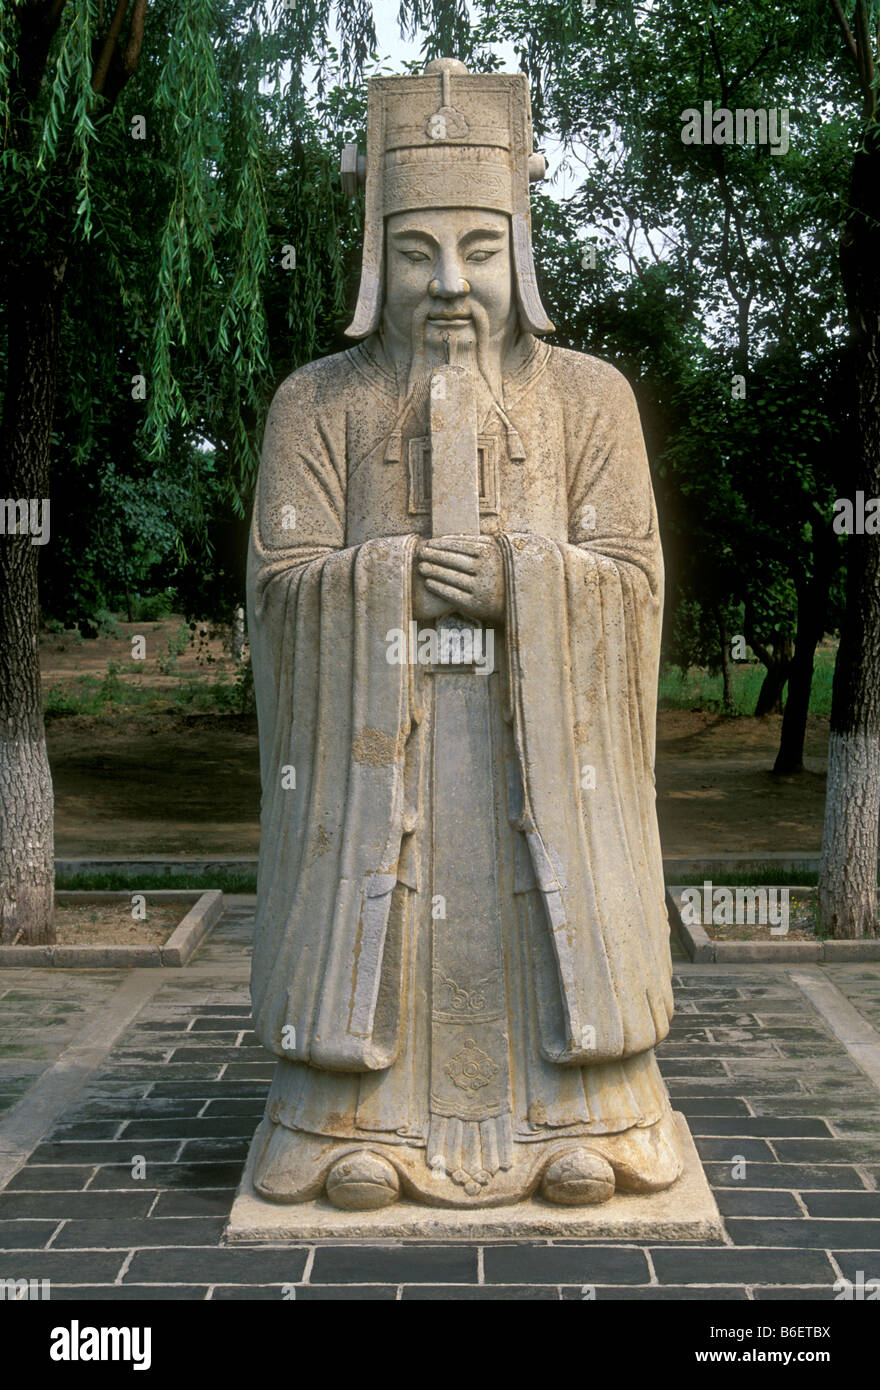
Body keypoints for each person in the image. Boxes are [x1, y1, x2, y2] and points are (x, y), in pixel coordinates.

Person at [245, 58, 682, 1210]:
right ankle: (354, 1120)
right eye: (414, 250)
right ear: (370, 258)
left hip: (538, 758)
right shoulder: (318, 403)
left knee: (545, 924)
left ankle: (582, 1110)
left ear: (521, 252)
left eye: (480, 250)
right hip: (382, 755)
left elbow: (633, 583)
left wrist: (523, 582)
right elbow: (280, 589)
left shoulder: (590, 401)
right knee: (386, 899)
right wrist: (388, 578)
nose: (449, 283)